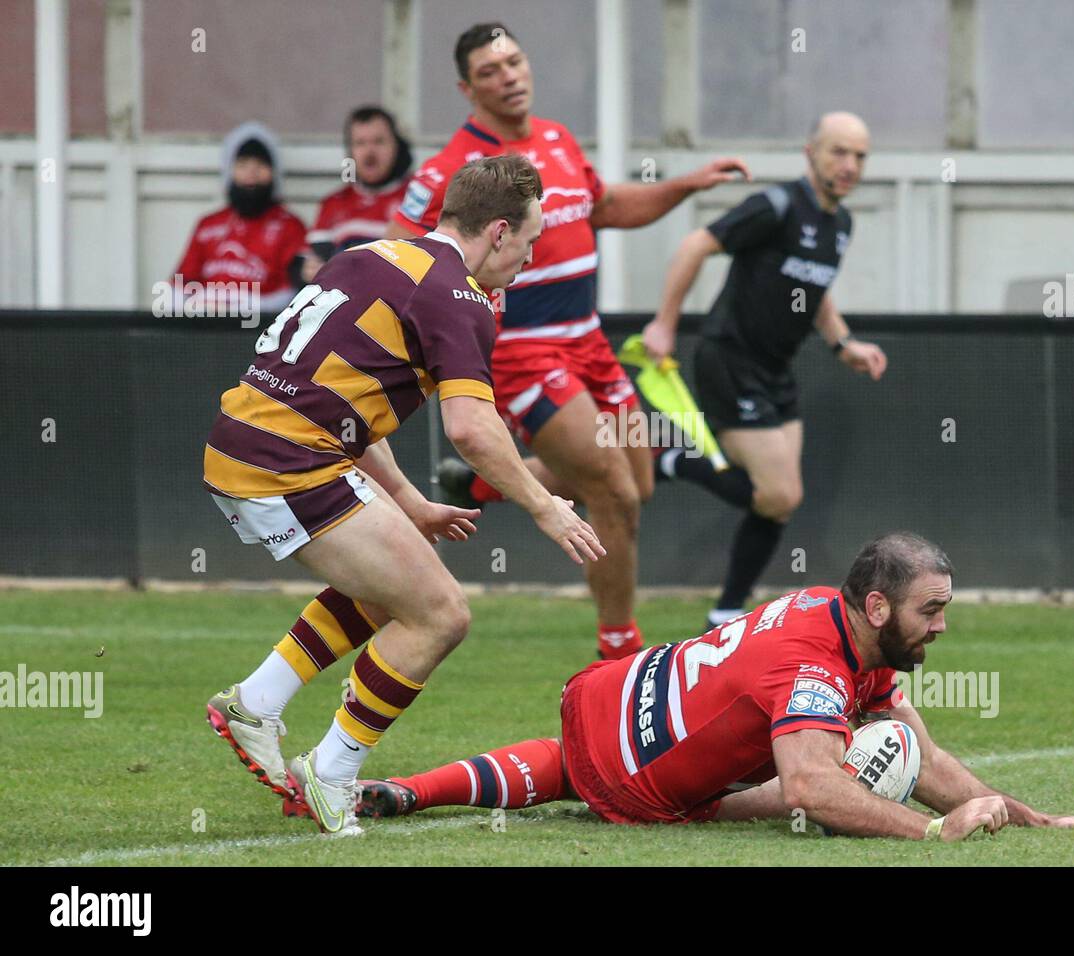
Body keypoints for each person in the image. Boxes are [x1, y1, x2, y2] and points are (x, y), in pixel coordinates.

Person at [203, 155, 604, 836]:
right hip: (286, 463)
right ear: (499, 231)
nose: (530, 259)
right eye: (530, 241)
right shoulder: (461, 298)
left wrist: (412, 504)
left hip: (249, 444)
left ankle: (256, 703)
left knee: (397, 581)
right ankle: (330, 774)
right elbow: (473, 431)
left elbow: (345, 399)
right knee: (442, 614)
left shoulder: (377, 256)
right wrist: (545, 504)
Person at [356, 533, 1074, 839]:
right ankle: (411, 792)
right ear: (878, 606)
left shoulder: (830, 616)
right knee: (818, 782)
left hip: (607, 693)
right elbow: (805, 784)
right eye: (930, 610)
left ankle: (405, 792)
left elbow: (925, 756)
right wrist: (929, 833)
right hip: (643, 783)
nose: (941, 627)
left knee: (892, 743)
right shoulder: (813, 661)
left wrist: (1040, 821)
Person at [387, 21, 751, 662]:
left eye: (516, 63)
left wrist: (685, 185)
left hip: (589, 338)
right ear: (466, 88)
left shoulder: (554, 139)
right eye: (492, 71)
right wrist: (450, 331)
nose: (510, 77)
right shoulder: (452, 169)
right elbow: (404, 252)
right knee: (609, 488)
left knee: (636, 485)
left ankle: (489, 484)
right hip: (524, 349)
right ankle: (620, 652)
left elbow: (606, 208)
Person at [642, 111, 889, 630]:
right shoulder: (774, 206)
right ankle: (673, 460)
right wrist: (664, 324)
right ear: (810, 153)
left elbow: (814, 289)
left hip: (777, 369)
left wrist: (842, 343)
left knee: (775, 504)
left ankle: (726, 609)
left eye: (859, 156)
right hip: (729, 358)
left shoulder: (840, 224)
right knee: (781, 494)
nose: (849, 165)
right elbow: (695, 245)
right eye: (838, 152)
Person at [173, 122, 307, 314]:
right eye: (243, 165)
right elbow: (179, 286)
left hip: (261, 330)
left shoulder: (291, 227)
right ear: (230, 171)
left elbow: (296, 294)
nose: (251, 174)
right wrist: (193, 307)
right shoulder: (208, 224)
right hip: (205, 329)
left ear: (273, 172)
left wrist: (246, 307)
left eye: (260, 165)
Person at [296, 106, 414, 285]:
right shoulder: (333, 204)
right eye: (360, 143)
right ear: (349, 151)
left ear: (397, 146)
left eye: (379, 141)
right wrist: (309, 272)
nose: (370, 152)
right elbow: (309, 265)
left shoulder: (418, 197)